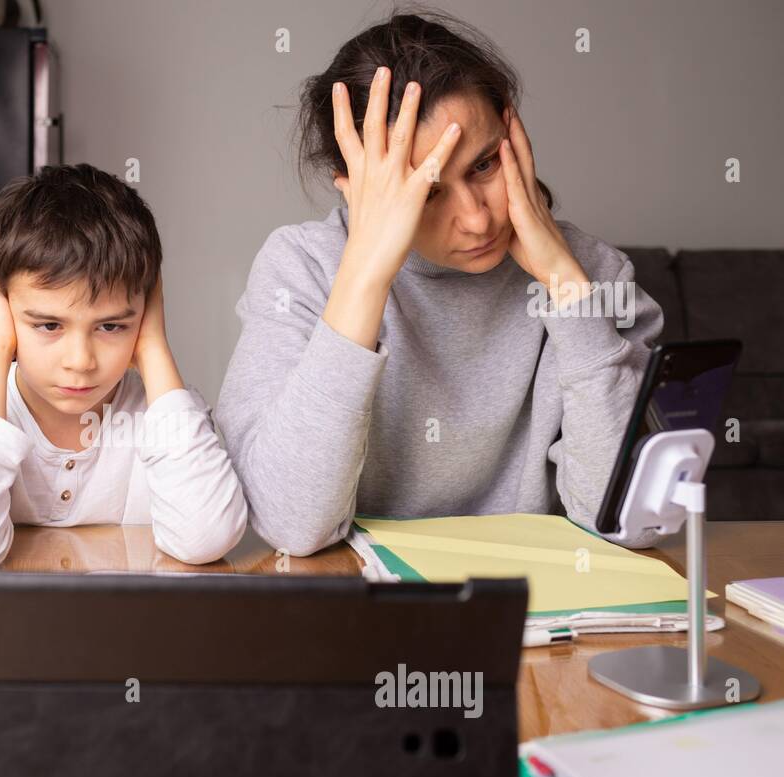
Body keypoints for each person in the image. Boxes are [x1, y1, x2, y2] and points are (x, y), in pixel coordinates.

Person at [216, 10, 663, 555]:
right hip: (359, 609)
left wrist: (568, 287)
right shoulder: (300, 269)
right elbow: (293, 524)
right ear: (357, 192)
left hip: (536, 613)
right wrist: (365, 274)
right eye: (426, 192)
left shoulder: (595, 276)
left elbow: (627, 523)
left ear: (512, 135)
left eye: (484, 166)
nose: (476, 219)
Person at [0, 163, 248, 570]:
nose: (80, 362)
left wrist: (155, 345)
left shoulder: (167, 416)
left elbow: (206, 539)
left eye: (111, 326)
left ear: (147, 308)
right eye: (49, 325)